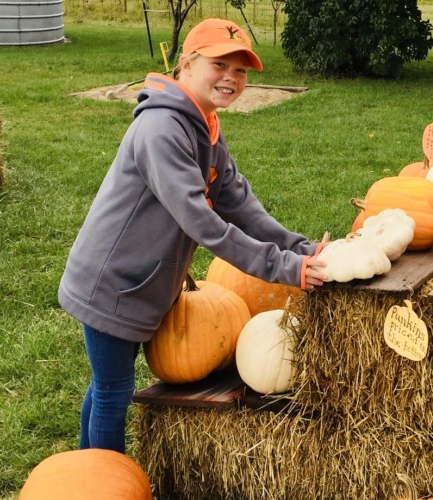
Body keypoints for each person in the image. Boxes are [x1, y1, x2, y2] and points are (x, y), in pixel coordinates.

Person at [58, 18, 328, 454]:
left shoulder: (206, 129)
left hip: (140, 283)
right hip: (111, 283)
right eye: (219, 64)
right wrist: (285, 268)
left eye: (240, 70)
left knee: (106, 384)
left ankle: (84, 471)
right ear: (186, 64)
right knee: (113, 391)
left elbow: (240, 205)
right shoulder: (162, 130)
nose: (231, 78)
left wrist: (303, 248)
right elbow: (202, 223)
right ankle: (100, 479)